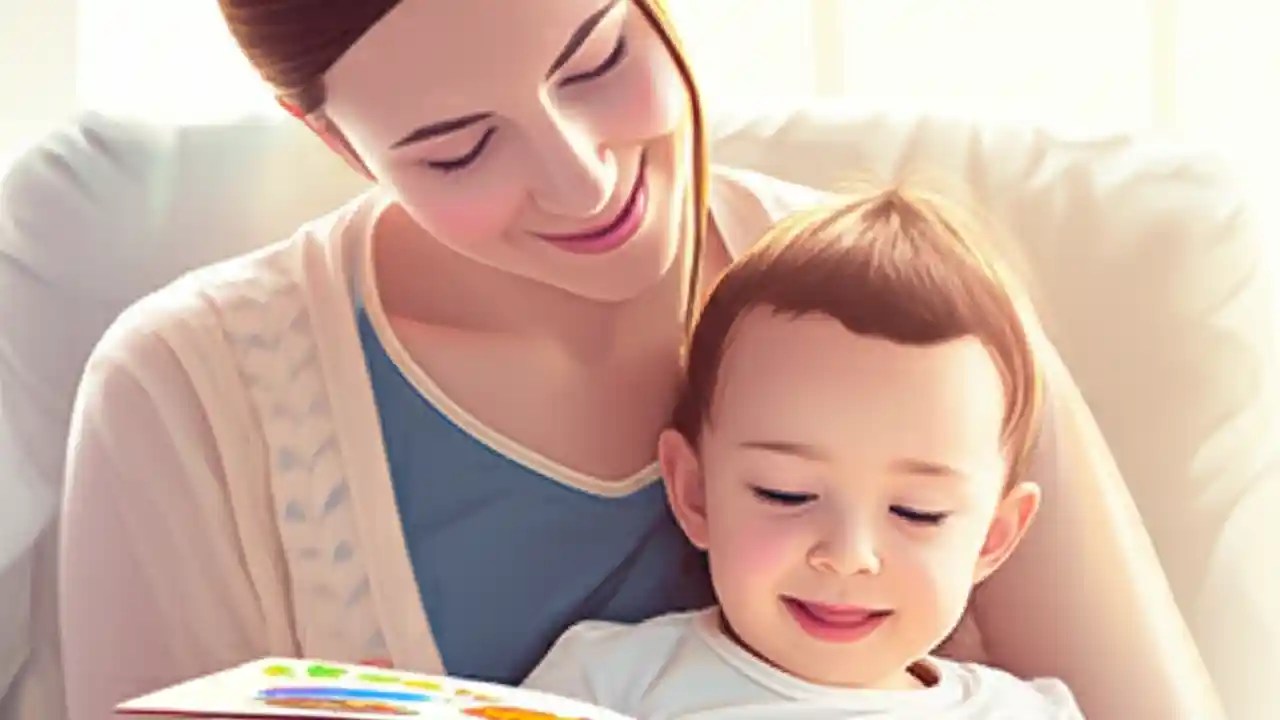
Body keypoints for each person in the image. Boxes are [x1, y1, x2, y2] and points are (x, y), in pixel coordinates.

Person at [57, 1, 1221, 719]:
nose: (584, 182)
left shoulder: (924, 325)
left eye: (596, 54)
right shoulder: (187, 398)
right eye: (457, 147)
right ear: (328, 138)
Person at [522, 186, 1080, 718]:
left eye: (918, 511)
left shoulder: (1021, 713)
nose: (847, 554)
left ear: (992, 537)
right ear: (695, 494)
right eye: (786, 494)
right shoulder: (611, 681)